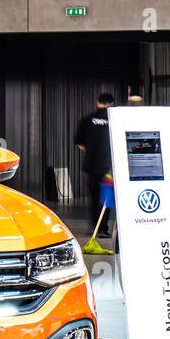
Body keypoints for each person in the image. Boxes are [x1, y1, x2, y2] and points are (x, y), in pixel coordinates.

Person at [75, 92, 115, 237]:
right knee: (106, 197)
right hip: (110, 165)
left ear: (98, 102)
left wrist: (91, 149)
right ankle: (103, 228)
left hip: (92, 165)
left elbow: (79, 142)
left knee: (94, 197)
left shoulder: (87, 119)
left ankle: (95, 226)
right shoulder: (114, 119)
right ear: (111, 103)